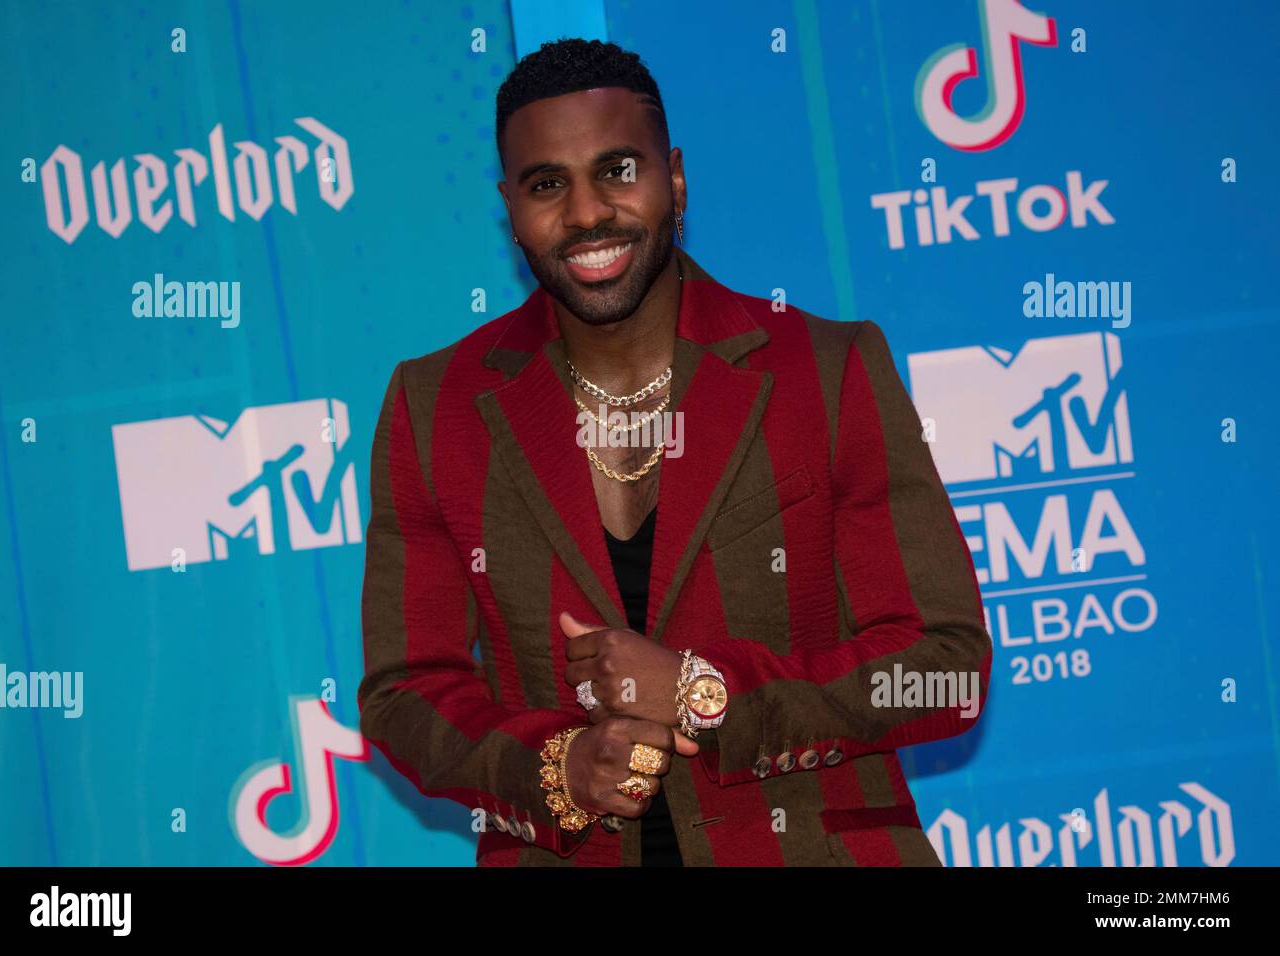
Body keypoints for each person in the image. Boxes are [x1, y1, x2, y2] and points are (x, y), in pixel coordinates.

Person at [357, 38, 991, 867]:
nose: (586, 214)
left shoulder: (824, 371)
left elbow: (945, 669)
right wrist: (557, 767)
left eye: (618, 170)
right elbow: (405, 692)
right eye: (548, 184)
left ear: (676, 178)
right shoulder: (433, 405)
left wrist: (708, 693)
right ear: (510, 207)